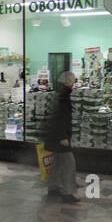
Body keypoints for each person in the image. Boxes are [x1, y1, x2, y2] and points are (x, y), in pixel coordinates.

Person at [41, 69, 78, 199]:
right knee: (69, 163)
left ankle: (53, 188)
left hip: (54, 136)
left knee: (56, 163)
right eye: (72, 80)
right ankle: (67, 192)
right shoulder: (63, 96)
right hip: (59, 137)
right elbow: (59, 118)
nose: (74, 83)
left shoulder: (59, 94)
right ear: (67, 82)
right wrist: (63, 137)